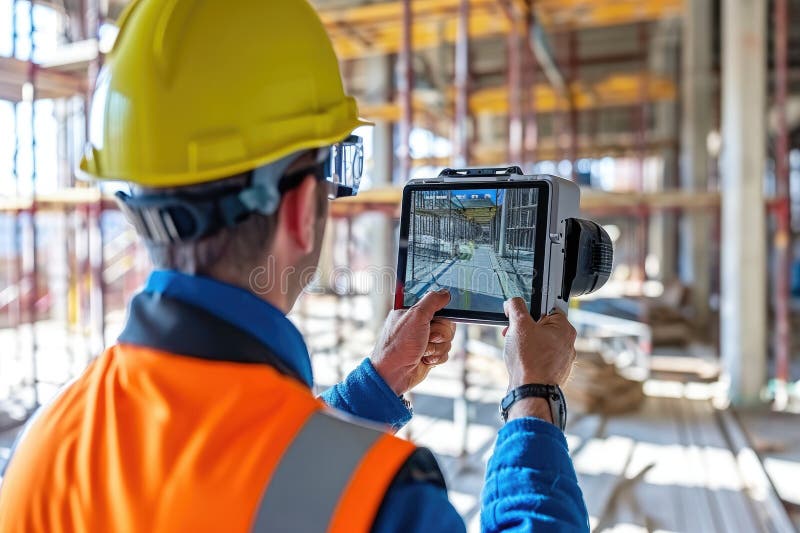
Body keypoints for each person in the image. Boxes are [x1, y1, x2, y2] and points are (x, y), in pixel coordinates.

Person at [0, 0, 589, 531]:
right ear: (303, 209)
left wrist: (377, 384)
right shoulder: (383, 503)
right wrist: (532, 397)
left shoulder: (44, 444)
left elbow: (254, 465)